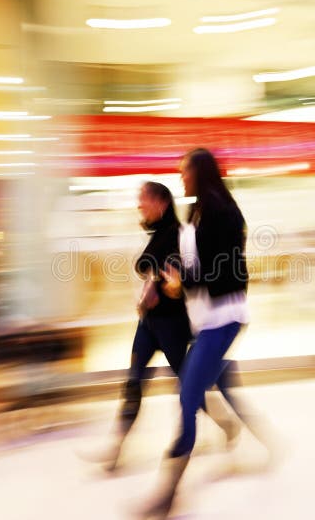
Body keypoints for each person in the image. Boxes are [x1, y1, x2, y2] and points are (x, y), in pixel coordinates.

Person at [137, 148, 268, 518]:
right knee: (221, 382)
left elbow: (228, 273)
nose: (180, 176)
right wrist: (173, 276)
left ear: (199, 172)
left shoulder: (223, 213)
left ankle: (168, 493)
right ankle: (264, 438)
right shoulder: (199, 211)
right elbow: (193, 262)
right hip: (206, 319)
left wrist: (185, 283)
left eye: (184, 170)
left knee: (189, 393)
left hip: (224, 317)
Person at [88, 181, 237, 472]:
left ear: (161, 202)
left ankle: (225, 423)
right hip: (149, 325)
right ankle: (115, 449)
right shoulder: (158, 234)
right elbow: (150, 268)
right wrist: (149, 286)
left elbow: (180, 275)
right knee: (133, 382)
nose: (139, 205)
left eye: (143, 199)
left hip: (172, 327)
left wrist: (159, 283)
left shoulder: (179, 235)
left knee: (188, 385)